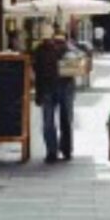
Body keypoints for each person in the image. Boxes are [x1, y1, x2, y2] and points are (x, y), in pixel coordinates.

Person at [33, 23, 75, 163]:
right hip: (50, 89)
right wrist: (39, 93)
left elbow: (75, 62)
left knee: (63, 121)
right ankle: (54, 151)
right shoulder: (40, 51)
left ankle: (64, 150)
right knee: (51, 122)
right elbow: (37, 72)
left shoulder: (64, 47)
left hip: (62, 87)